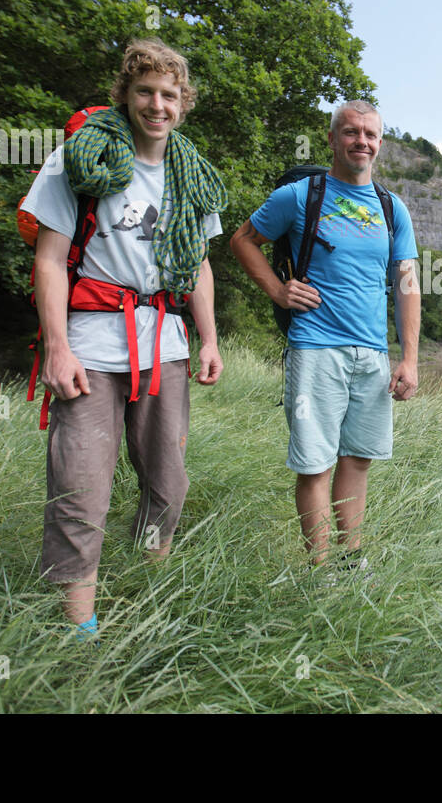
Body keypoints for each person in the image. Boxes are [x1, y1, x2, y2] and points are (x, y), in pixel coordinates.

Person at [21, 38, 227, 638]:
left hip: (165, 343)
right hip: (90, 342)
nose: (156, 104)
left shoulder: (191, 173)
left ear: (183, 103)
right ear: (126, 95)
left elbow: (201, 265)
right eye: (145, 91)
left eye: (169, 94)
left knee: (168, 481)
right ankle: (78, 626)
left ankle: (149, 582)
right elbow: (51, 259)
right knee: (80, 482)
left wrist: (209, 339)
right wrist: (57, 346)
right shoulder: (79, 159)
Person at [230, 100, 420, 573]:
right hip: (315, 348)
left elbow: (407, 283)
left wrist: (410, 357)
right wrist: (277, 290)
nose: (362, 141)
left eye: (371, 135)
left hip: (372, 354)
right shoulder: (300, 196)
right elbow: (241, 241)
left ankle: (350, 561)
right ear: (333, 140)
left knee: (357, 460)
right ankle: (319, 570)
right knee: (315, 463)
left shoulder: (391, 207)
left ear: (379, 144)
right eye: (352, 132)